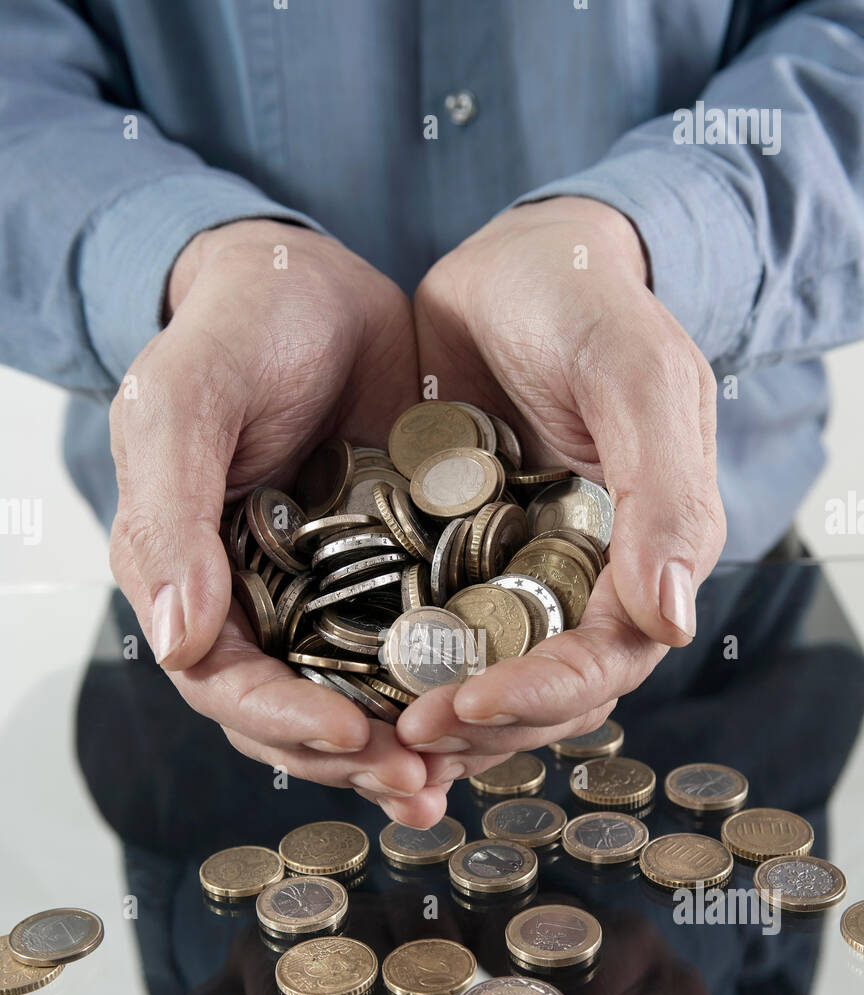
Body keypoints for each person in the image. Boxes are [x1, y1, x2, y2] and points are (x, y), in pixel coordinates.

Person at [1, 0, 863, 828]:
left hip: (732, 614)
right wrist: (191, 258)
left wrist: (644, 237)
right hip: (210, 593)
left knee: (704, 940)